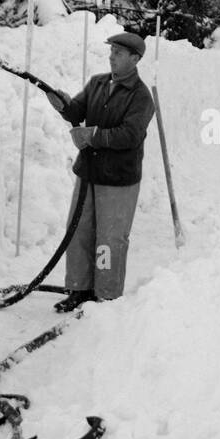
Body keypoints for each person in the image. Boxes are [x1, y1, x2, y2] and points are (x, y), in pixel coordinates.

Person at [45, 31, 155, 311]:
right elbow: (76, 111)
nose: (112, 57)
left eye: (118, 53)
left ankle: (105, 295)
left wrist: (93, 136)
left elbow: (130, 135)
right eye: (111, 51)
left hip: (118, 179)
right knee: (79, 231)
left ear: (135, 58)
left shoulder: (141, 97)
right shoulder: (97, 83)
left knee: (109, 238)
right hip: (89, 172)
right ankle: (79, 290)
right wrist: (63, 104)